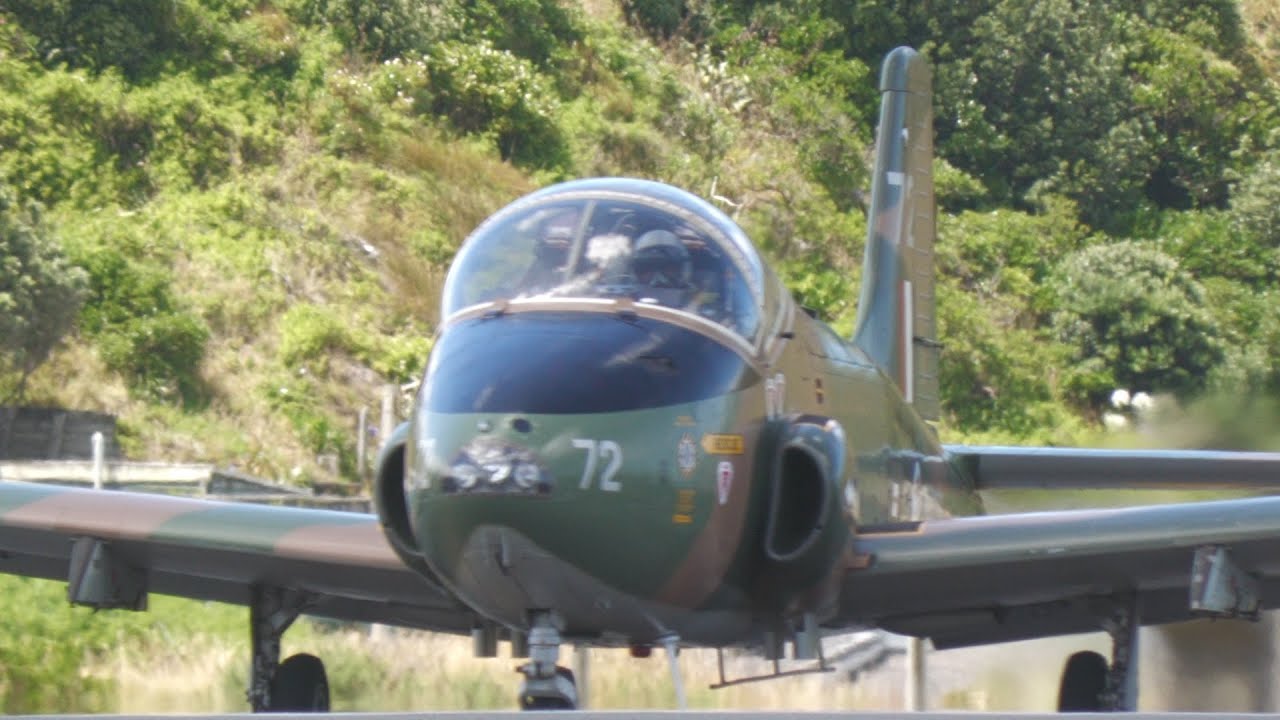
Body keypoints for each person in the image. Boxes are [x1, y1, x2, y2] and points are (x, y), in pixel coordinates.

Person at [631, 229, 693, 307]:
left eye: (667, 268)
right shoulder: (620, 306)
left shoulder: (694, 306)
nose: (657, 280)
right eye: (646, 268)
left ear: (682, 272)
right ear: (635, 273)